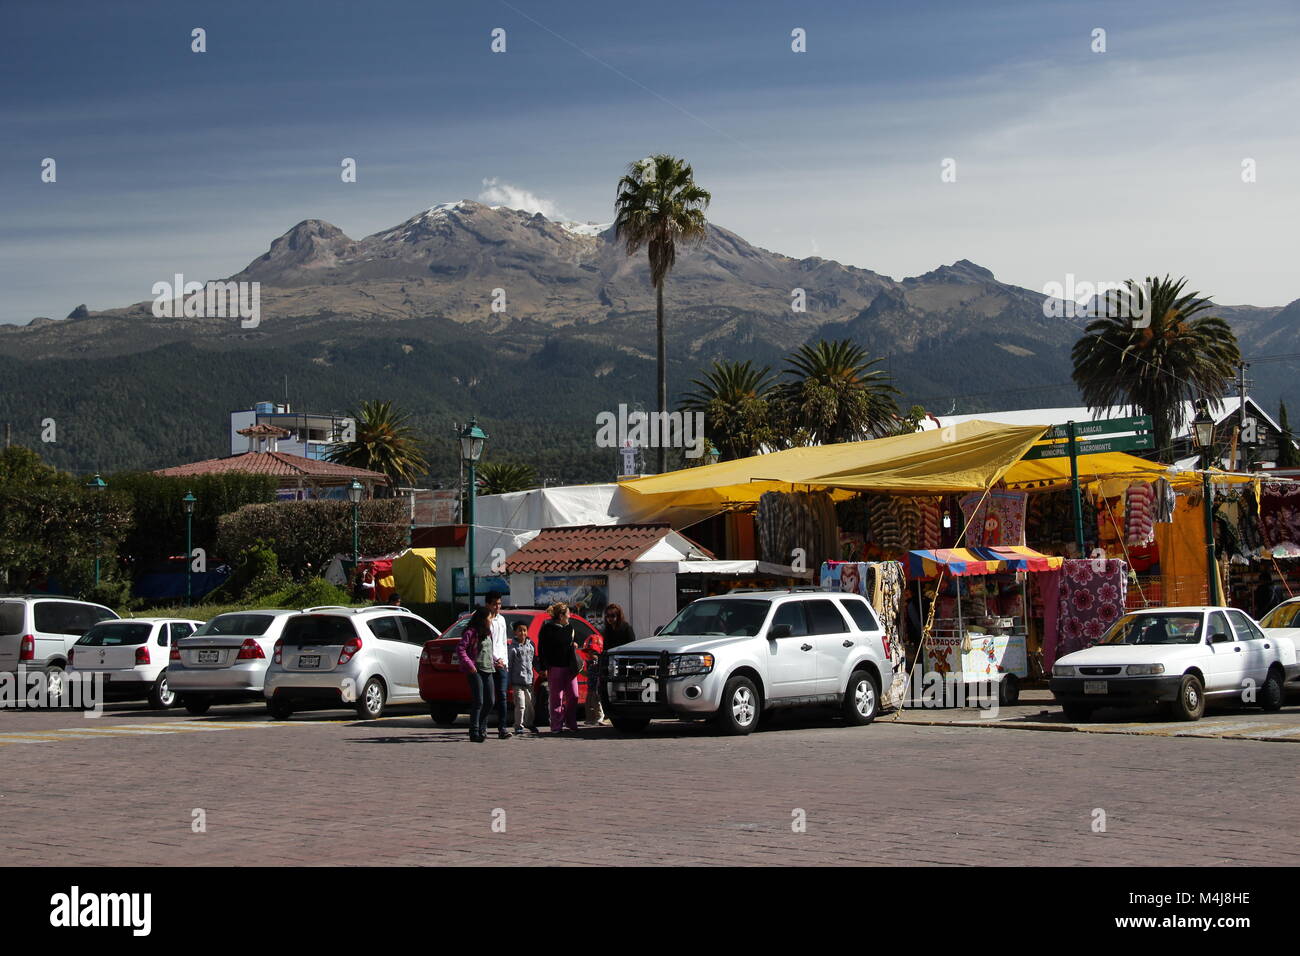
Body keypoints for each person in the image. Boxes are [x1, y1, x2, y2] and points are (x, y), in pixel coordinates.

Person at [538, 602, 580, 734]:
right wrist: (544, 666)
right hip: (555, 667)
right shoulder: (547, 628)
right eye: (568, 613)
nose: (570, 615)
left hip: (570, 667)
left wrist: (574, 645)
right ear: (561, 615)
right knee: (557, 698)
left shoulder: (570, 628)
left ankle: (570, 722)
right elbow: (542, 648)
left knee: (574, 696)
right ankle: (556, 725)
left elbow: (572, 643)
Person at [455, 606, 496, 743]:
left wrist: (497, 661)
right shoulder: (471, 632)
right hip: (475, 670)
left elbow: (489, 651)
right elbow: (461, 649)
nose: (491, 620)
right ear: (483, 619)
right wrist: (470, 666)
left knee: (490, 701)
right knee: (479, 701)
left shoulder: (488, 633)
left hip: (488, 669)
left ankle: (482, 727)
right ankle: (474, 731)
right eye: (490, 617)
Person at [593, 604, 636, 725]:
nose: (609, 618)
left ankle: (626, 714)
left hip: (623, 664)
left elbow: (631, 646)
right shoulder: (606, 630)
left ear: (618, 616)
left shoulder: (626, 627)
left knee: (623, 689)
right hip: (609, 664)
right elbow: (605, 648)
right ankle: (609, 714)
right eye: (607, 616)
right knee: (606, 690)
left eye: (612, 615)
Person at [483, 591, 511, 739]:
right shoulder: (485, 620)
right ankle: (483, 727)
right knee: (488, 698)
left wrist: (504, 661)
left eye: (499, 603)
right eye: (494, 604)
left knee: (502, 696)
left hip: (502, 663)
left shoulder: (502, 620)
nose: (497, 606)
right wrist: (495, 659)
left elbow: (503, 642)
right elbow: (487, 643)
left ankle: (502, 728)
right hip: (489, 663)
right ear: (487, 604)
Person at [507, 621, 538, 735]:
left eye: (524, 630)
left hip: (529, 681)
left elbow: (534, 661)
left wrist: (540, 671)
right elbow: (509, 665)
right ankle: (518, 725)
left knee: (530, 705)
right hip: (517, 682)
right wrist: (509, 681)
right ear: (515, 632)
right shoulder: (512, 648)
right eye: (519, 630)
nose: (522, 633)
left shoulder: (531, 646)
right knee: (520, 705)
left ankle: (529, 723)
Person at [581, 623, 605, 726]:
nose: (591, 655)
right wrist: (580, 671)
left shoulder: (598, 661)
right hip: (590, 687)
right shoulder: (588, 662)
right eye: (589, 652)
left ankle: (599, 717)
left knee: (596, 702)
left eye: (593, 652)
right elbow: (587, 674)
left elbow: (600, 672)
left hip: (596, 687)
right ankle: (590, 718)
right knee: (588, 703)